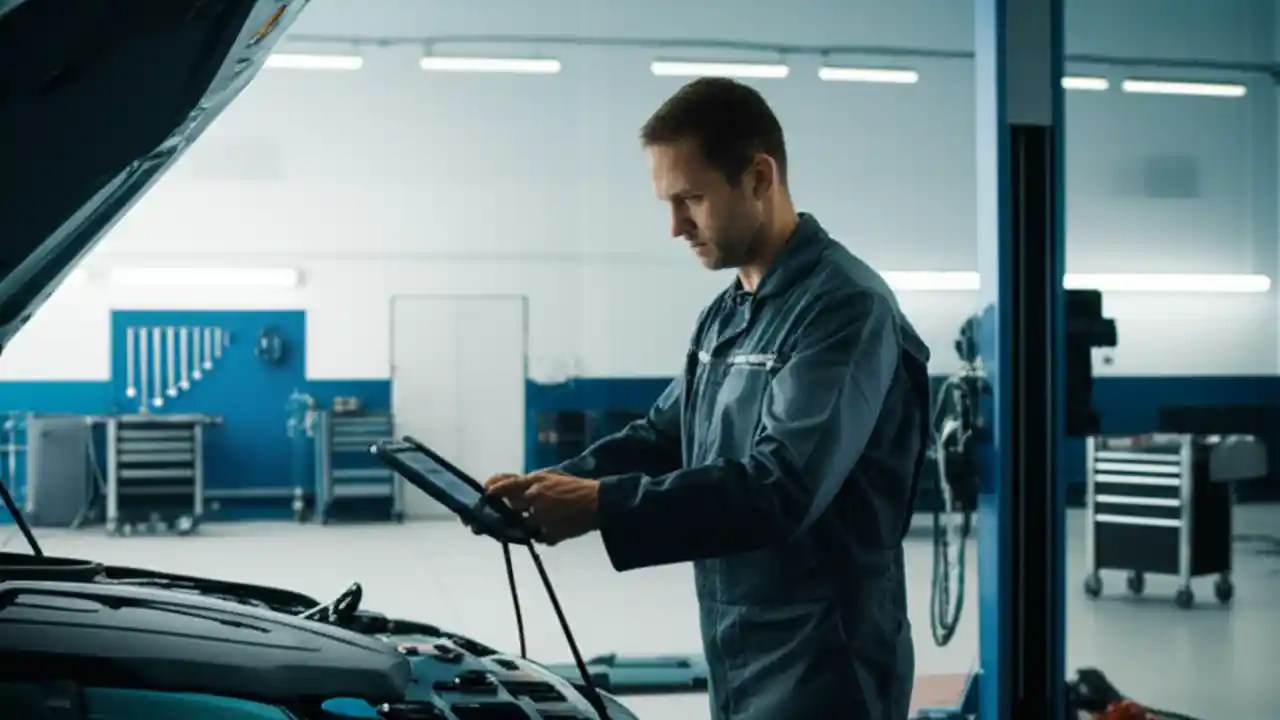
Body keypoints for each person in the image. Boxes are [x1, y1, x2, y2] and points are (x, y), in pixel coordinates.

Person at [485, 77, 932, 720]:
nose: (674, 227)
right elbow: (667, 435)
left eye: (690, 198)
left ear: (757, 177)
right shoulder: (727, 314)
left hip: (827, 656)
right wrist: (552, 483)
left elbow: (782, 489)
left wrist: (600, 506)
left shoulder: (845, 308)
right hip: (738, 638)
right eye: (667, 203)